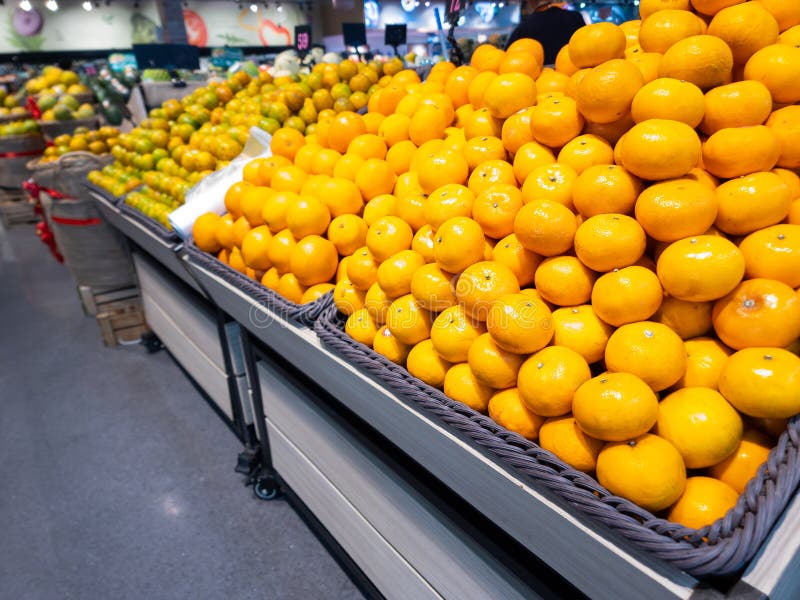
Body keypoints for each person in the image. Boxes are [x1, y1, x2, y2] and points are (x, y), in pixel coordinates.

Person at [505, 0, 587, 65]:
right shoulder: (575, 18)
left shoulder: (523, 28)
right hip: (579, 77)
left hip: (535, 80)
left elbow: (506, 60)